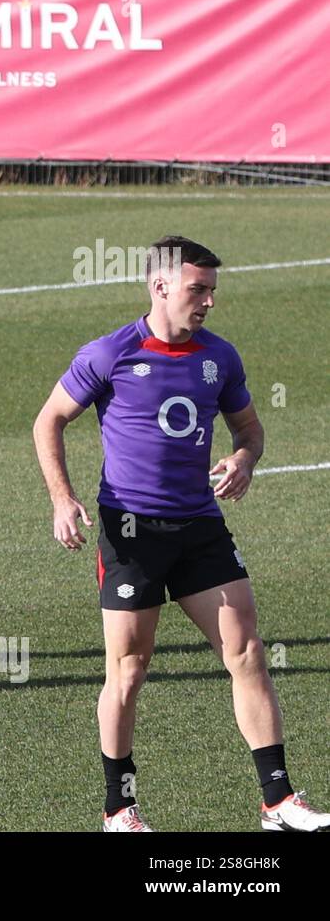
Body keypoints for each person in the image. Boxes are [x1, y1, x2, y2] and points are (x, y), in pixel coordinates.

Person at [33, 235, 329, 831]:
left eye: (213, 292)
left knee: (246, 653)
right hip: (131, 534)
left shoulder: (219, 357)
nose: (209, 302)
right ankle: (119, 808)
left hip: (200, 527)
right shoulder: (109, 352)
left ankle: (277, 801)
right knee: (130, 669)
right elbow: (49, 421)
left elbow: (250, 428)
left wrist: (245, 459)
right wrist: (62, 499)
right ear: (160, 286)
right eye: (199, 289)